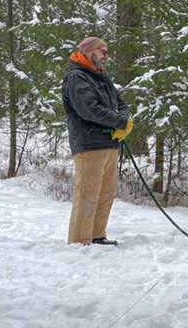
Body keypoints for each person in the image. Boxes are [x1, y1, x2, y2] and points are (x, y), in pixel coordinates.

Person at [62, 37, 133, 246]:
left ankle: (96, 235)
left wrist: (124, 121)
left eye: (107, 52)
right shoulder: (77, 76)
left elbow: (120, 101)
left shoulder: (101, 76)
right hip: (89, 143)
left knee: (105, 194)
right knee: (87, 194)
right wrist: (120, 122)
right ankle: (79, 240)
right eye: (102, 51)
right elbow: (88, 109)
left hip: (109, 143)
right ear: (87, 51)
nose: (106, 55)